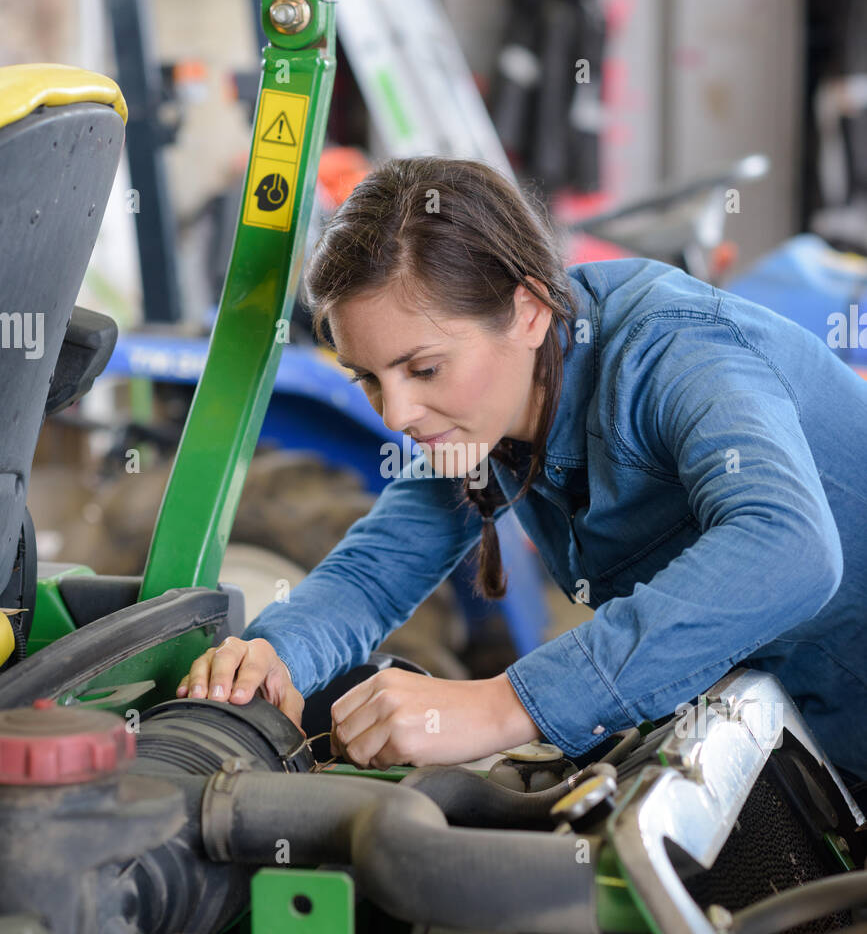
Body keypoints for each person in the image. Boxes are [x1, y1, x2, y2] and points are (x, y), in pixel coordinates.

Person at [176, 157, 867, 782]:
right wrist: (275, 656)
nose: (396, 414)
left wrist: (502, 705)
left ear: (529, 311)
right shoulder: (489, 420)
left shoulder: (679, 355)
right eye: (368, 378)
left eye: (422, 368)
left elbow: (790, 546)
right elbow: (373, 571)